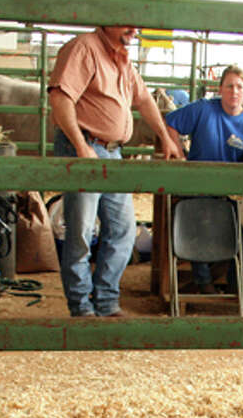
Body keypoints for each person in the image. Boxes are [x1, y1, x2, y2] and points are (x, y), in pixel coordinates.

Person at [47, 25, 183, 317]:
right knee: (81, 230)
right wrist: (81, 146)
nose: (133, 29)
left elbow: (144, 99)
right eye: (125, 21)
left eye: (136, 22)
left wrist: (165, 137)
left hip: (112, 152)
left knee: (122, 229)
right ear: (106, 21)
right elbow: (61, 97)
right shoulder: (84, 48)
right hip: (86, 146)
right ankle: (81, 306)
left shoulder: (121, 58)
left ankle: (107, 301)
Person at [163, 65, 243, 294]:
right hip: (198, 185)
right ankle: (203, 281)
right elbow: (170, 122)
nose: (234, 91)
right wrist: (178, 153)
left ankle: (233, 281)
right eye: (229, 86)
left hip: (233, 190)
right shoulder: (202, 109)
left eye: (239, 86)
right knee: (196, 220)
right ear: (220, 89)